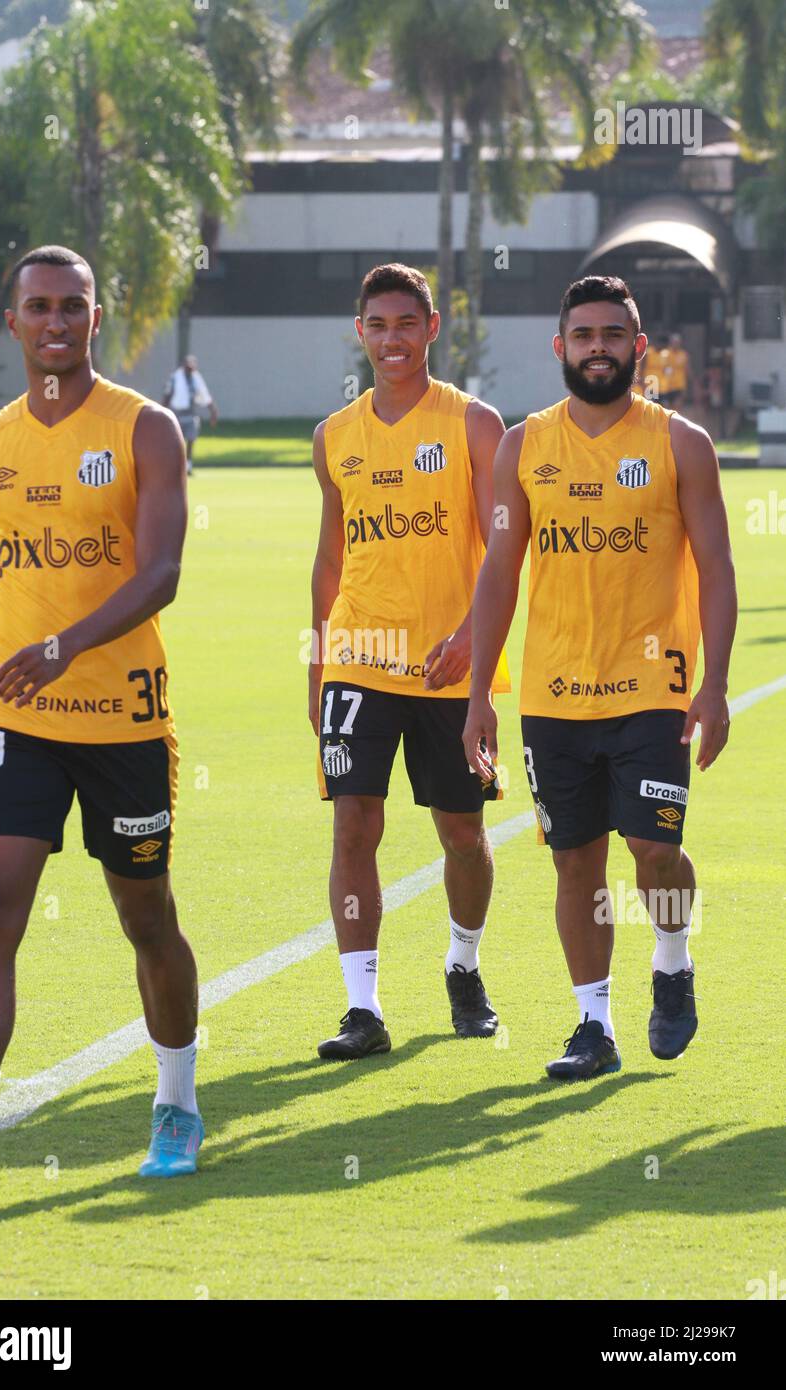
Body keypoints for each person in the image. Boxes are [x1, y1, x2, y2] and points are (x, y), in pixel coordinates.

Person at [0, 245, 202, 1205]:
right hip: (16, 719)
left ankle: (175, 1100)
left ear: (95, 316)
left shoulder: (144, 428)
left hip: (123, 716)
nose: (55, 322)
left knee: (146, 915)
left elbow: (161, 572)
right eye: (38, 307)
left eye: (72, 307)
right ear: (14, 323)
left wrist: (64, 647)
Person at [463, 275, 737, 1081]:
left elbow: (717, 569)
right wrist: (480, 693)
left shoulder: (681, 443)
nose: (597, 350)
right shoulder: (523, 447)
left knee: (654, 849)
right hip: (553, 695)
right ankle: (593, 1026)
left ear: (639, 348)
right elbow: (499, 575)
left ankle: (674, 958)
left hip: (652, 688)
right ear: (560, 348)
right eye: (583, 337)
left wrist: (714, 684)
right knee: (574, 862)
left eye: (613, 336)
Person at [309, 262, 511, 1061]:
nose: (391, 340)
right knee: (354, 825)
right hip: (360, 657)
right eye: (377, 326)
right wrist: (319, 668)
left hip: (448, 667)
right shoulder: (334, 437)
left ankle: (463, 966)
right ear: (361, 333)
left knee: (462, 833)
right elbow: (329, 561)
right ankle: (363, 1009)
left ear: (432, 328)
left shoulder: (473, 424)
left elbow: (506, 551)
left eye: (406, 323)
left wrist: (472, 637)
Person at [163, 354, 217, 475]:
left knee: (191, 439)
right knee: (177, 442)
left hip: (190, 413)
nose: (190, 369)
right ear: (184, 366)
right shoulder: (175, 377)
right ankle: (175, 467)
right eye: (188, 366)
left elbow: (204, 394)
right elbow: (167, 395)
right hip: (177, 413)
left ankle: (188, 465)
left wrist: (213, 411)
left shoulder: (196, 377)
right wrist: (162, 414)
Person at [665, 332, 691, 410]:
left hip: (680, 385)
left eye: (677, 342)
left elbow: (687, 369)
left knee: (677, 407)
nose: (675, 344)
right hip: (667, 386)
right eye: (674, 342)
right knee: (667, 409)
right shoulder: (665, 353)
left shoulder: (684, 354)